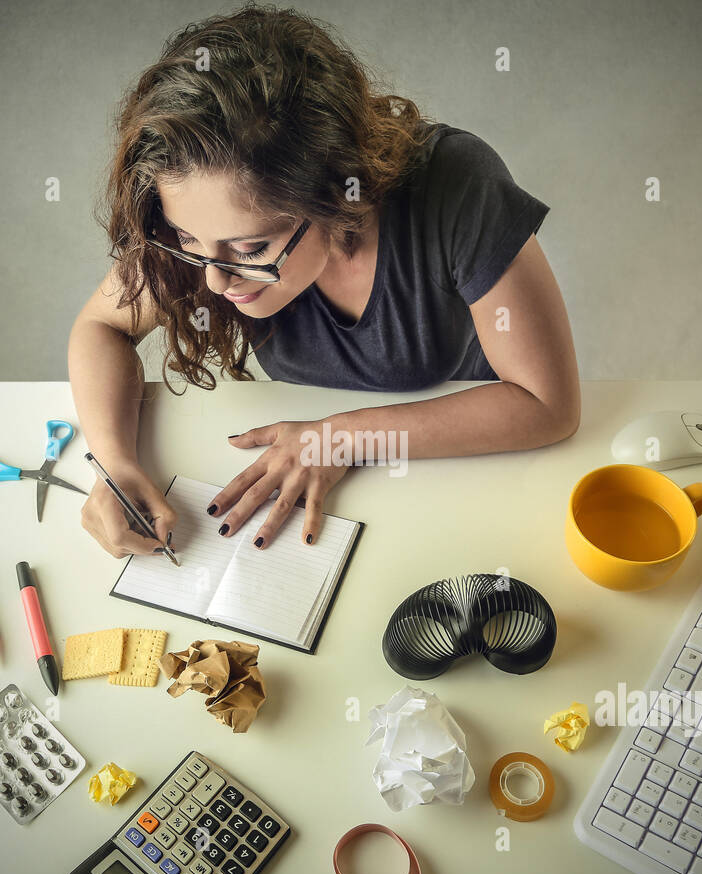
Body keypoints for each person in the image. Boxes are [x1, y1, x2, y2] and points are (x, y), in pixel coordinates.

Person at [69, 3, 580, 559]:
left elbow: (546, 404)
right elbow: (101, 326)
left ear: (335, 196)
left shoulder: (458, 186)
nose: (214, 282)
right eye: (187, 239)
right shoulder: (207, 233)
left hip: (468, 458)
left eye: (250, 248)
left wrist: (340, 437)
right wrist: (115, 462)